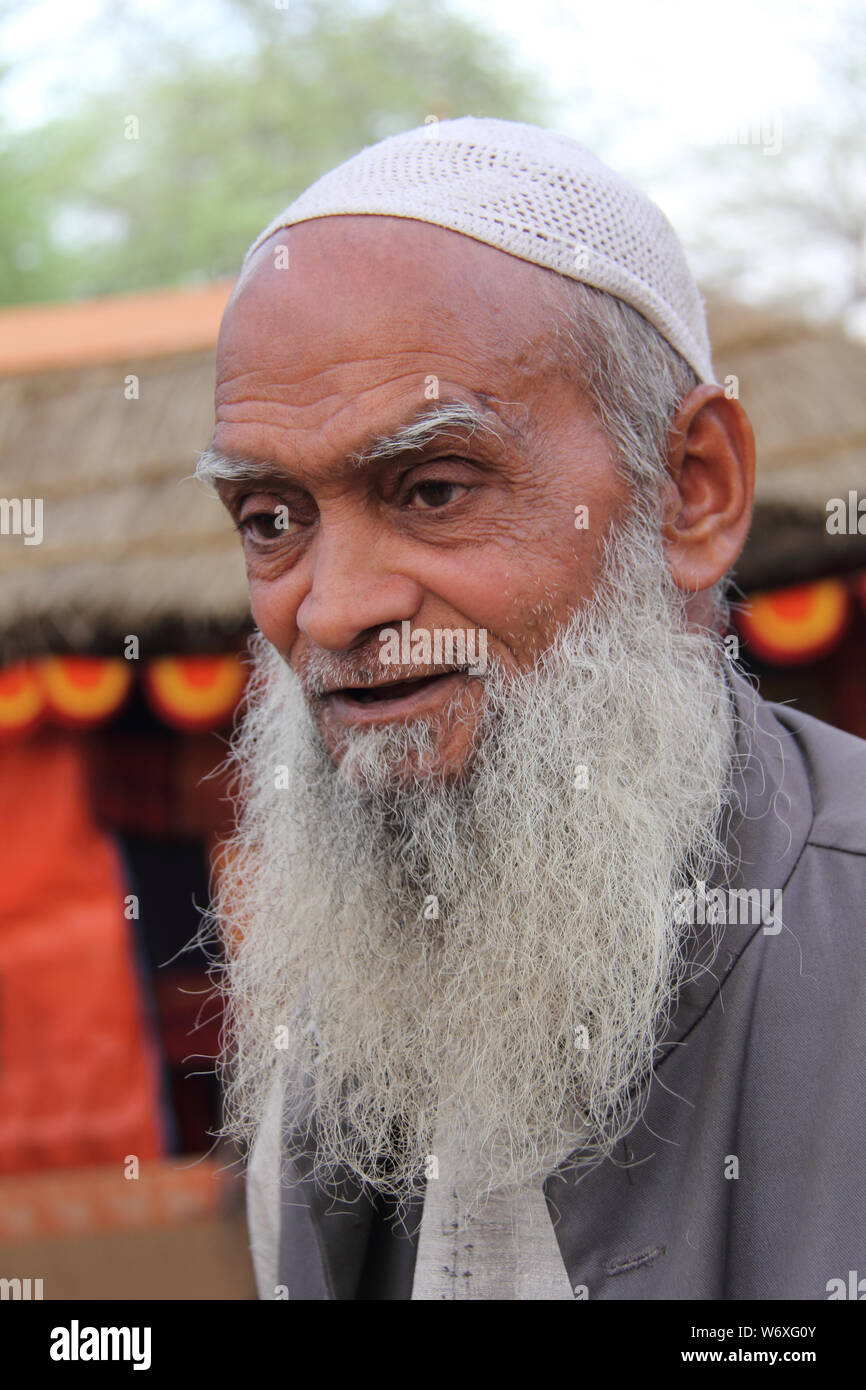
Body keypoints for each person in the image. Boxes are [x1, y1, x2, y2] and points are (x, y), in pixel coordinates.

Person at [196, 117, 866, 1300]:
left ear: (690, 491)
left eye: (434, 488)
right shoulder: (334, 1033)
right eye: (270, 519)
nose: (334, 609)